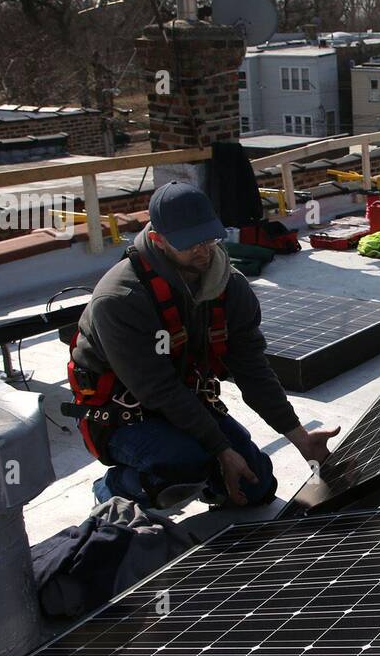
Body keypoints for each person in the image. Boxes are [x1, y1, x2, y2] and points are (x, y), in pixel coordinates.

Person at [68, 181, 339, 509]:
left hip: (187, 401)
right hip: (122, 416)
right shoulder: (121, 300)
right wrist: (221, 449)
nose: (203, 251)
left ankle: (211, 481)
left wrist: (300, 437)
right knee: (184, 466)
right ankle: (112, 489)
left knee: (257, 487)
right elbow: (158, 390)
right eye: (190, 244)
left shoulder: (229, 286)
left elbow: (252, 368)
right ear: (158, 240)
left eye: (209, 239)